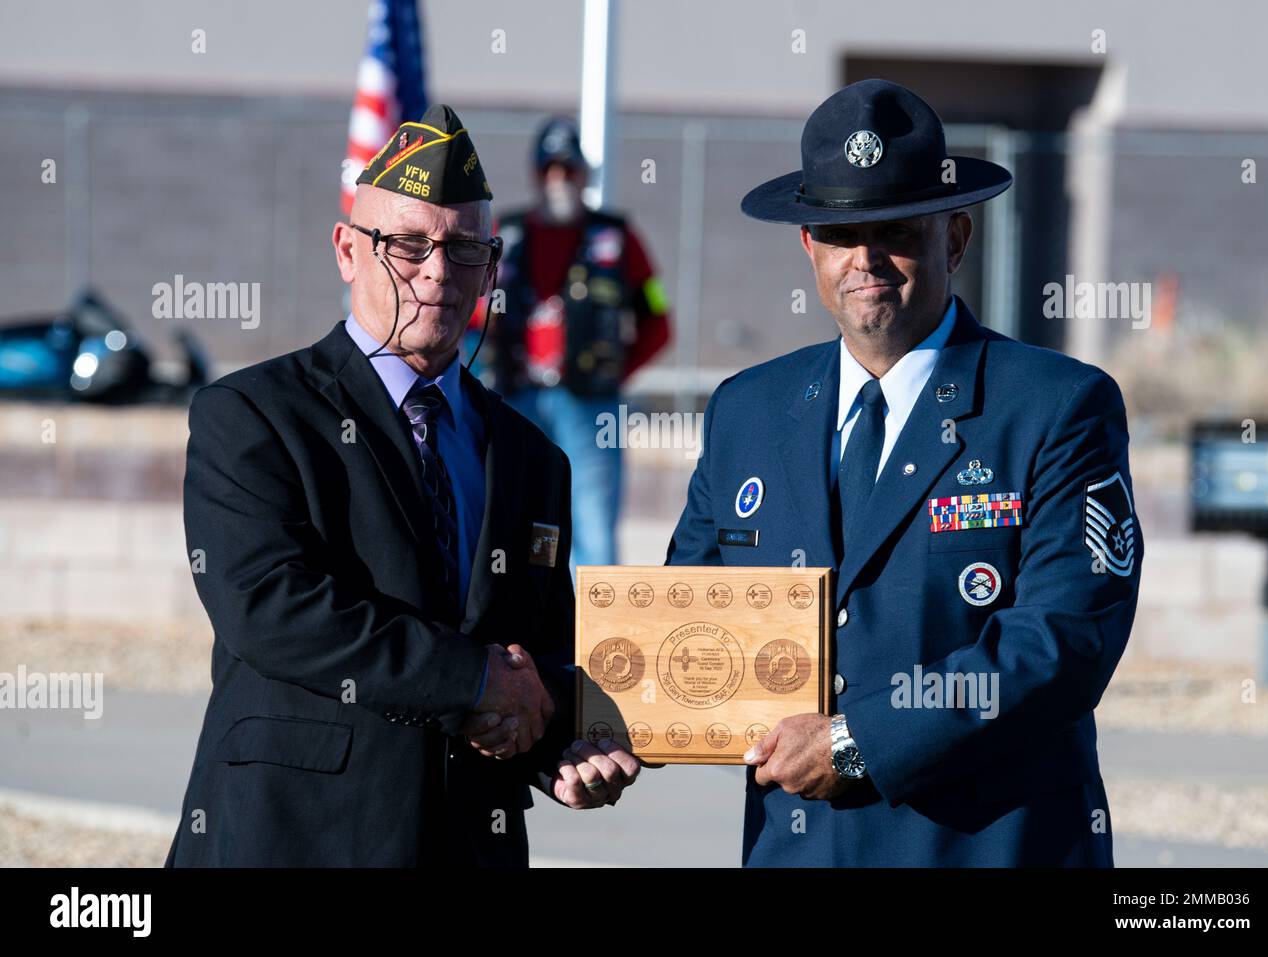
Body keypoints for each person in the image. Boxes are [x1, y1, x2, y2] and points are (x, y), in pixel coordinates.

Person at [665, 79, 1142, 866]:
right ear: (808, 246)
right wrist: (603, 725)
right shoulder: (748, 410)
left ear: (954, 239)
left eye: (894, 229)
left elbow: (1062, 642)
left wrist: (858, 744)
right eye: (840, 231)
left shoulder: (1057, 406)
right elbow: (695, 612)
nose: (866, 258)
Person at [166, 105, 640, 869]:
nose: (437, 273)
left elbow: (541, 647)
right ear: (348, 250)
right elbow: (272, 607)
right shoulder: (254, 414)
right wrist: (476, 680)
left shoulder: (531, 458)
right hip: (295, 838)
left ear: (492, 267)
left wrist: (561, 744)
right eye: (407, 244)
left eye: (464, 250)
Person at [474, 117, 672, 567]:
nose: (558, 180)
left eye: (568, 169)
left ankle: (596, 633)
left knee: (591, 523)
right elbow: (472, 314)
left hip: (590, 406)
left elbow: (658, 317)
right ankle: (524, 623)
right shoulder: (508, 234)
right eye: (549, 169)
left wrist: (613, 373)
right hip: (516, 401)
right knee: (516, 518)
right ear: (535, 175)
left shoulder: (616, 237)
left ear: (584, 174)